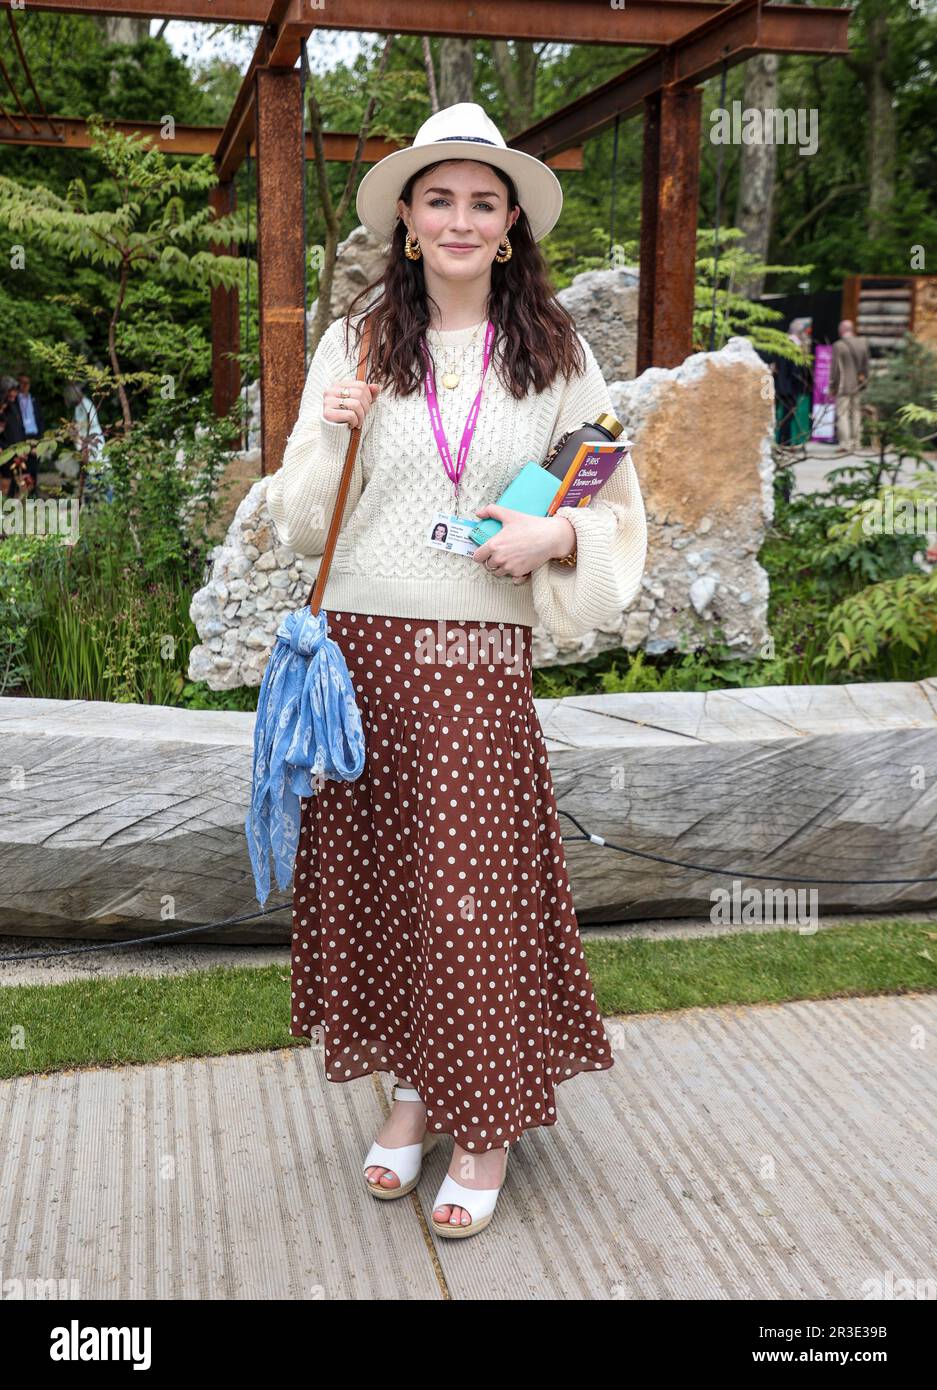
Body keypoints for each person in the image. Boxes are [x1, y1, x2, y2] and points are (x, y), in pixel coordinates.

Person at [265, 101, 648, 1240]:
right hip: (363, 651)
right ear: (409, 219)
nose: (462, 218)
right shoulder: (356, 338)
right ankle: (421, 1092)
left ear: (515, 223)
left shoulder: (557, 353)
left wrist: (557, 538)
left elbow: (614, 497)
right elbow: (296, 521)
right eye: (441, 198)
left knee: (470, 898)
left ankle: (484, 1126)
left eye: (485, 200)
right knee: (395, 890)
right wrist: (332, 429)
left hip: (478, 653)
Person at [829, 318, 869, 454]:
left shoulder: (838, 345)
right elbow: (865, 366)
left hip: (843, 385)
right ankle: (857, 442)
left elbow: (835, 369)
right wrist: (865, 382)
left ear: (842, 330)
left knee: (843, 414)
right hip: (857, 385)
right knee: (856, 413)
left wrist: (832, 386)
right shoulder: (863, 344)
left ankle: (846, 443)